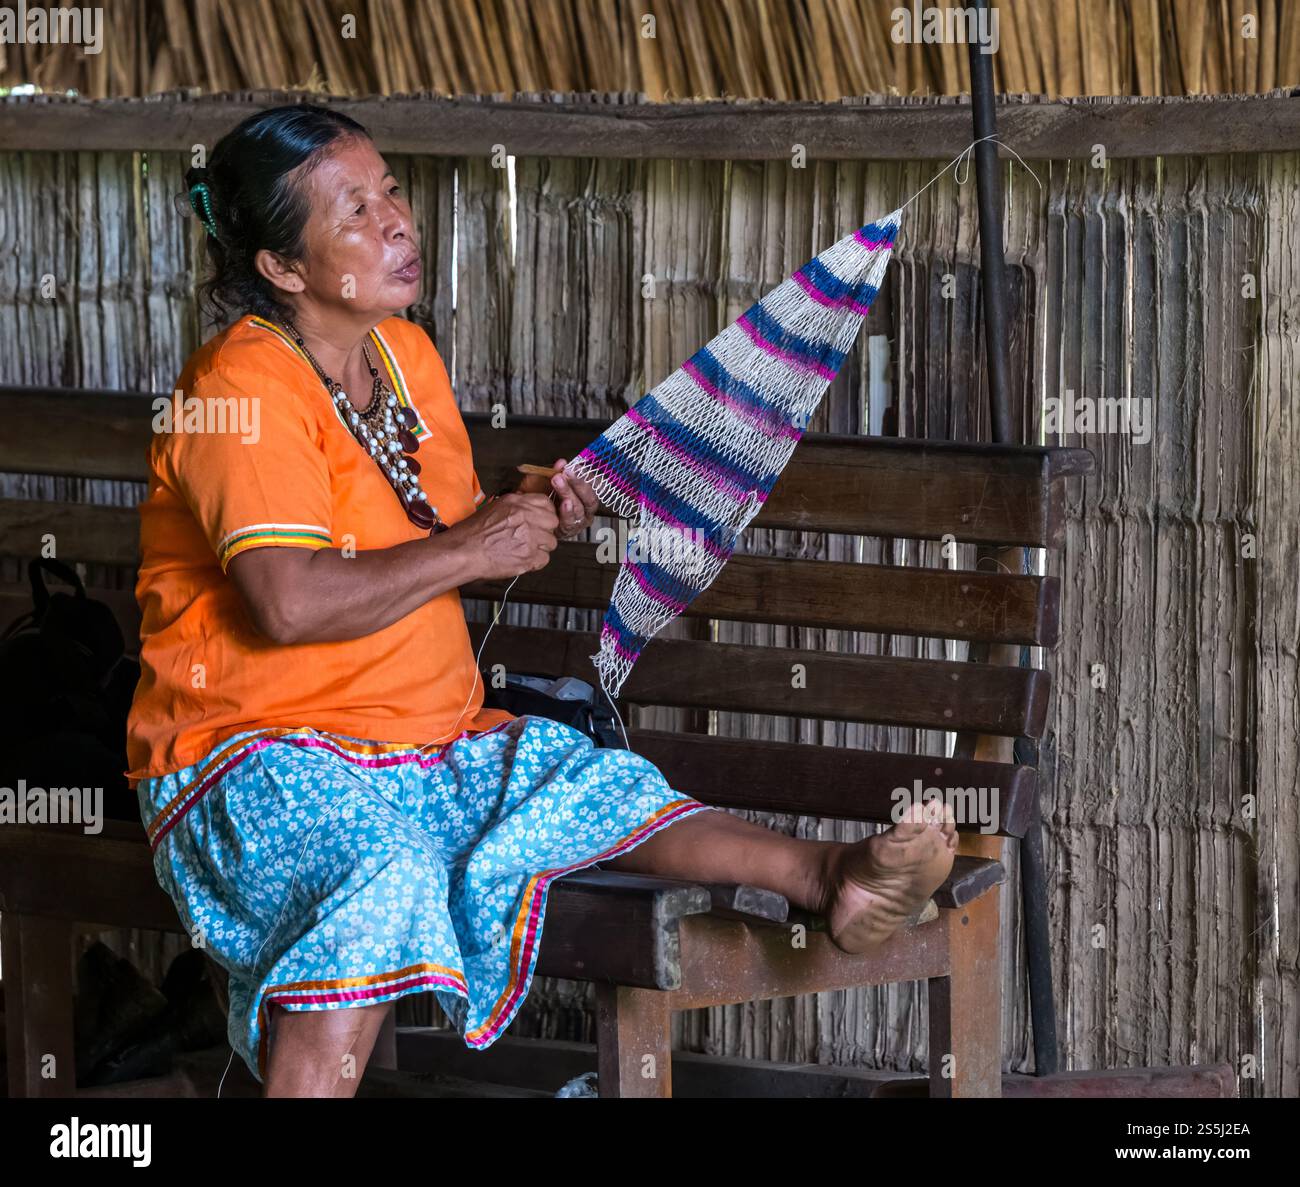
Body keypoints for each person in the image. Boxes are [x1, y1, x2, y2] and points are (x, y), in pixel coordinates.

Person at [127, 104, 958, 1098]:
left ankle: (832, 877)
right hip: (257, 762)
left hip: (425, 748)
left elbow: (420, 533)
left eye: (390, 188)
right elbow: (289, 601)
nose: (398, 219)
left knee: (585, 777)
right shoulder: (246, 387)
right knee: (378, 877)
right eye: (355, 209)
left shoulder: (403, 357)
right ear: (282, 266)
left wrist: (515, 512)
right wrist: (476, 546)